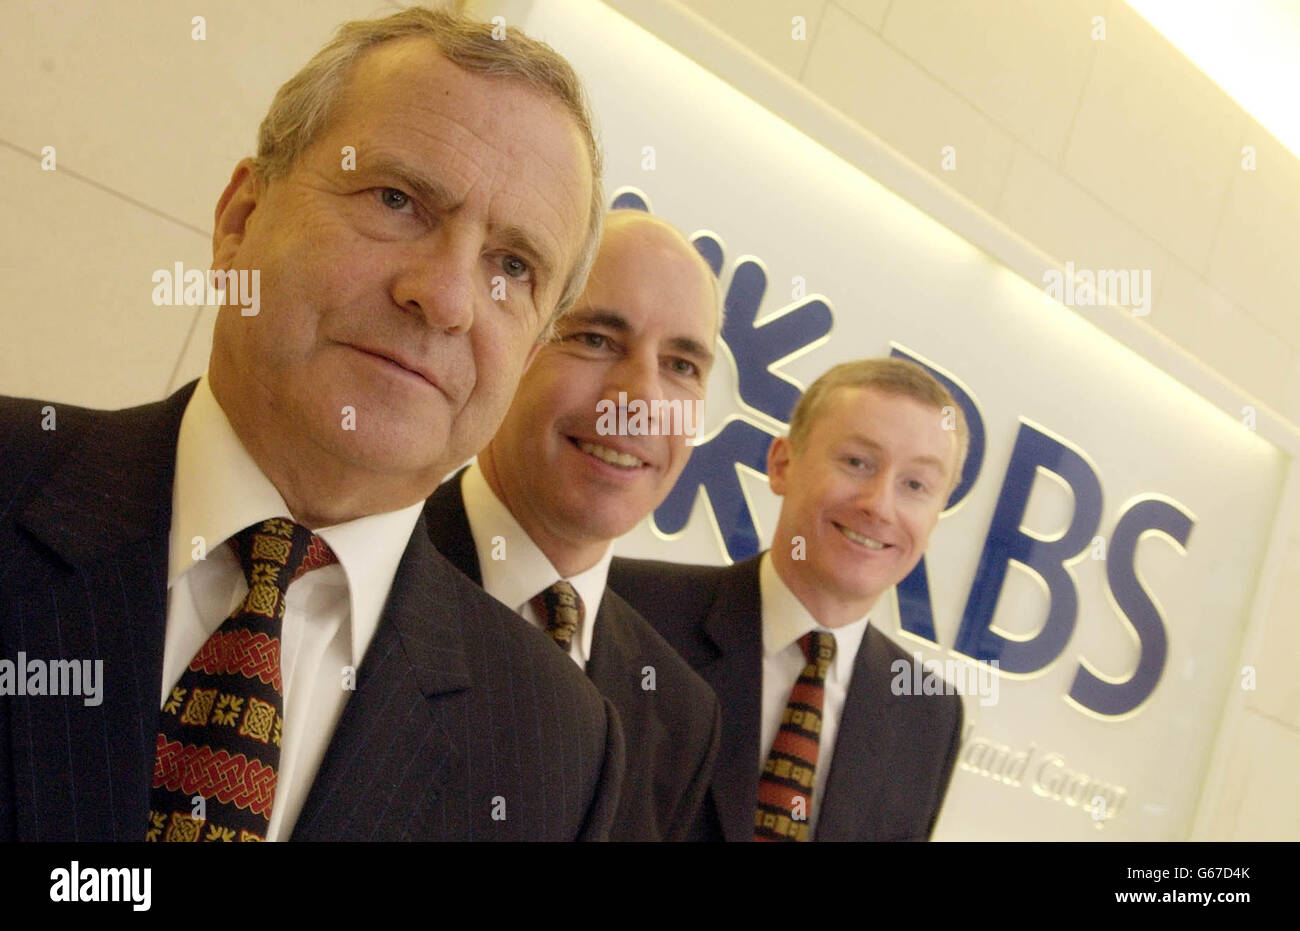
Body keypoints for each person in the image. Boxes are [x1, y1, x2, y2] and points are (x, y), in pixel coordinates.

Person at [0, 8, 625, 842]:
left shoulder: (557, 748)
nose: (443, 298)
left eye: (512, 266)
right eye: (398, 200)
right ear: (239, 220)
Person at [424, 210, 722, 840]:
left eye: (682, 367)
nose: (640, 399)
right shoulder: (353, 564)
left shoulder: (680, 710)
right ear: (516, 346)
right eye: (595, 339)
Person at [610, 358, 968, 841]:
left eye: (916, 486)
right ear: (782, 464)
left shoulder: (930, 714)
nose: (879, 505)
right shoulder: (630, 608)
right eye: (857, 462)